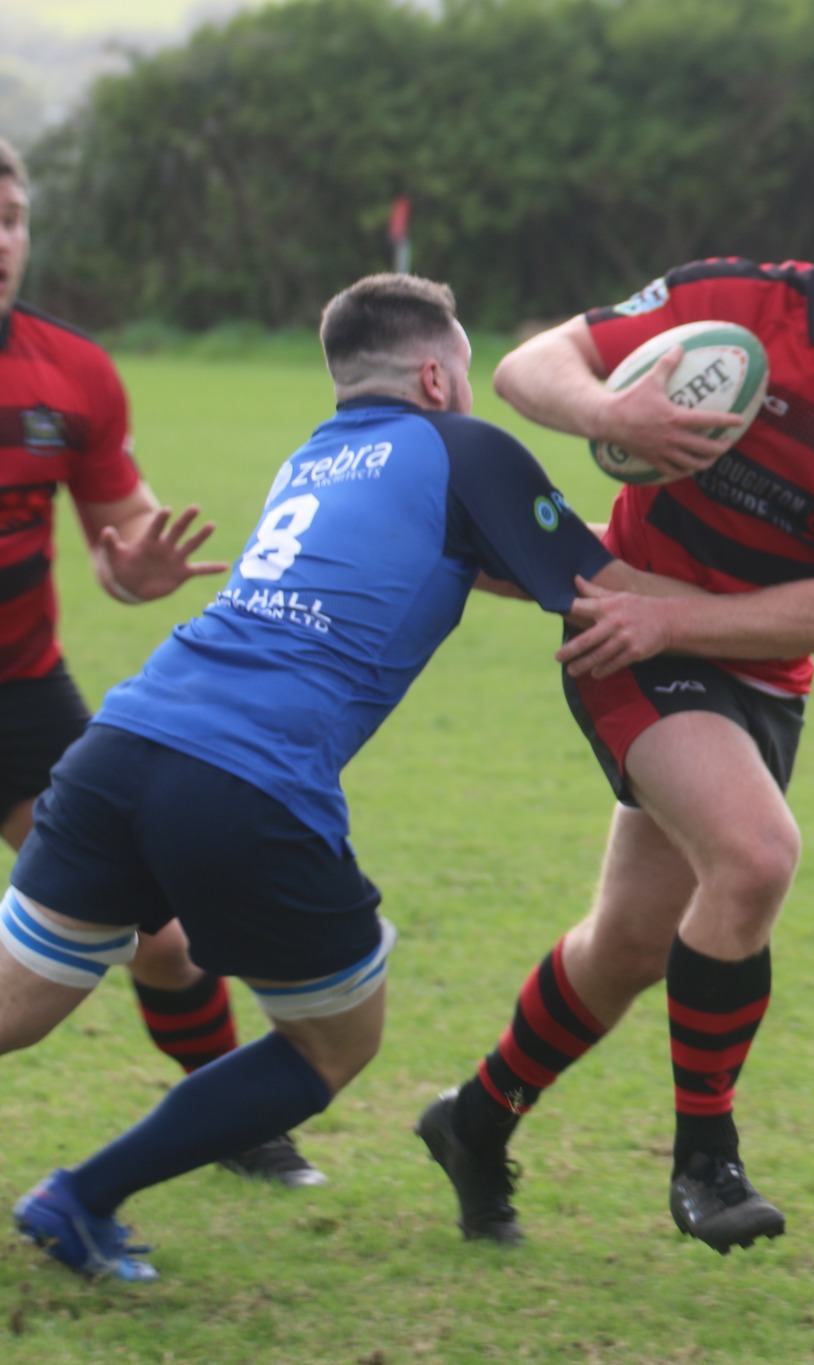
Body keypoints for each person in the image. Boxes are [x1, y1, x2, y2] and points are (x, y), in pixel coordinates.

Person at [3, 272, 682, 1282]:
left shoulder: (312, 460)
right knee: (331, 1045)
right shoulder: (464, 447)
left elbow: (489, 556)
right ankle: (81, 1198)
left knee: (12, 1008)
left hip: (121, 744)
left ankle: (84, 1199)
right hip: (243, 783)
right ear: (435, 376)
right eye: (462, 370)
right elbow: (604, 594)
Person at [417, 163, 814, 1254]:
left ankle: (472, 1121)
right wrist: (607, 409)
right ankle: (705, 1161)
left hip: (747, 666)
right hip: (624, 634)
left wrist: (684, 622)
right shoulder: (735, 303)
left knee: (627, 946)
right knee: (757, 857)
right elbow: (535, 363)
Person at [0, 137, 321, 1184]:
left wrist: (138, 567)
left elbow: (123, 551)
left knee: (168, 937)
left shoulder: (71, 372)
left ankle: (230, 1126)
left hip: (22, 698)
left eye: (10, 220)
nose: (1, 243)